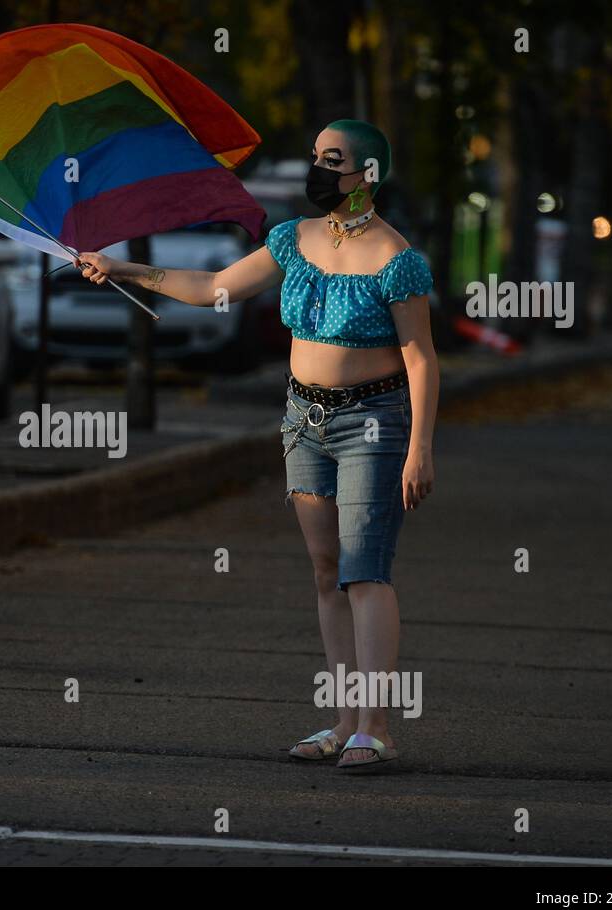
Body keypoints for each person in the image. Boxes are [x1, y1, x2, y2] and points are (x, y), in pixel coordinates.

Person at [75, 119, 437, 772]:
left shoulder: (395, 258)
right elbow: (214, 288)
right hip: (303, 423)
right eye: (316, 156)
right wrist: (122, 265)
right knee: (327, 571)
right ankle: (343, 720)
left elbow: (421, 359)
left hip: (373, 427)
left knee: (364, 570)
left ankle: (377, 727)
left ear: (369, 176)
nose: (319, 169)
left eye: (334, 160)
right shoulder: (293, 240)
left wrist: (420, 449)